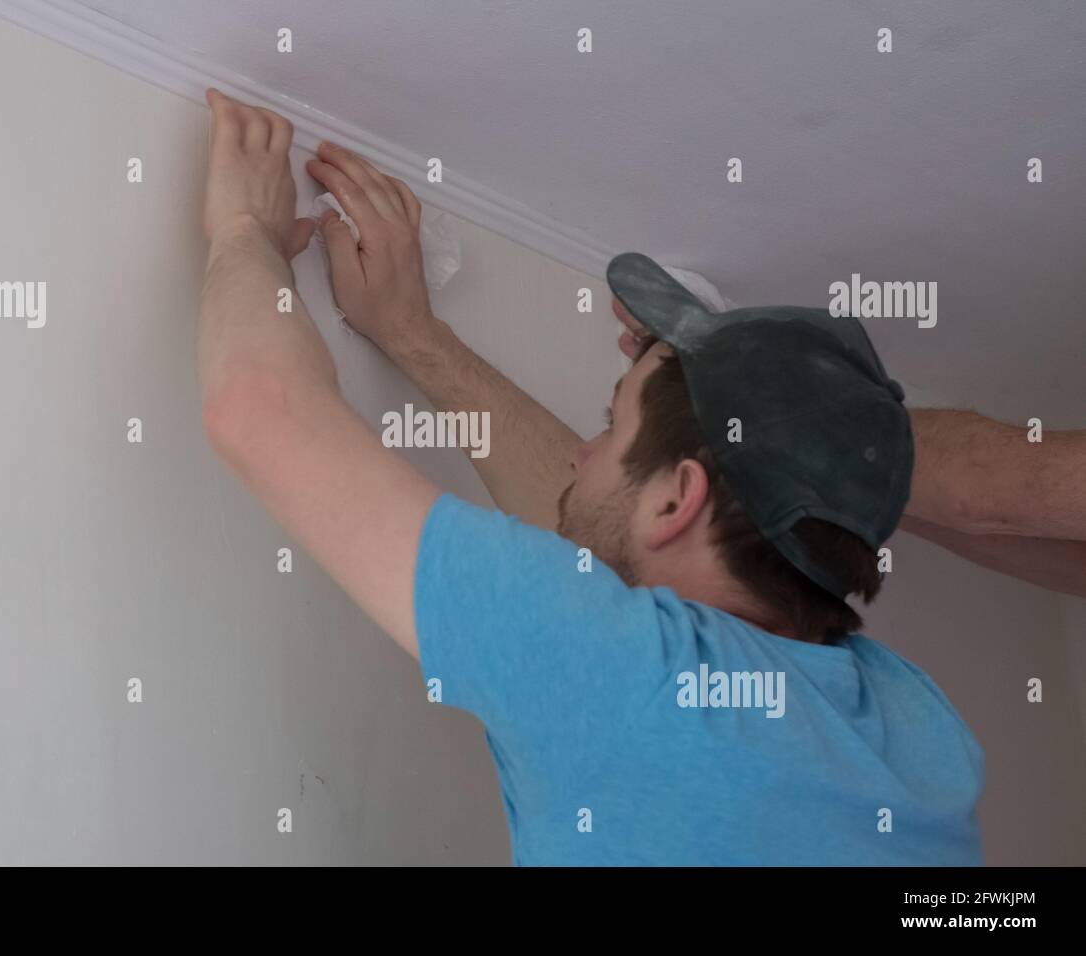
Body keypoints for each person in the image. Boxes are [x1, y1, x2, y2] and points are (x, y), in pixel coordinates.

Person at [195, 88, 1079, 864]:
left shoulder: (632, 678)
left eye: (608, 425)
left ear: (680, 498)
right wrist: (415, 337)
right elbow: (603, 542)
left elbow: (259, 409)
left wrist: (244, 235)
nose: (581, 456)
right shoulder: (909, 735)